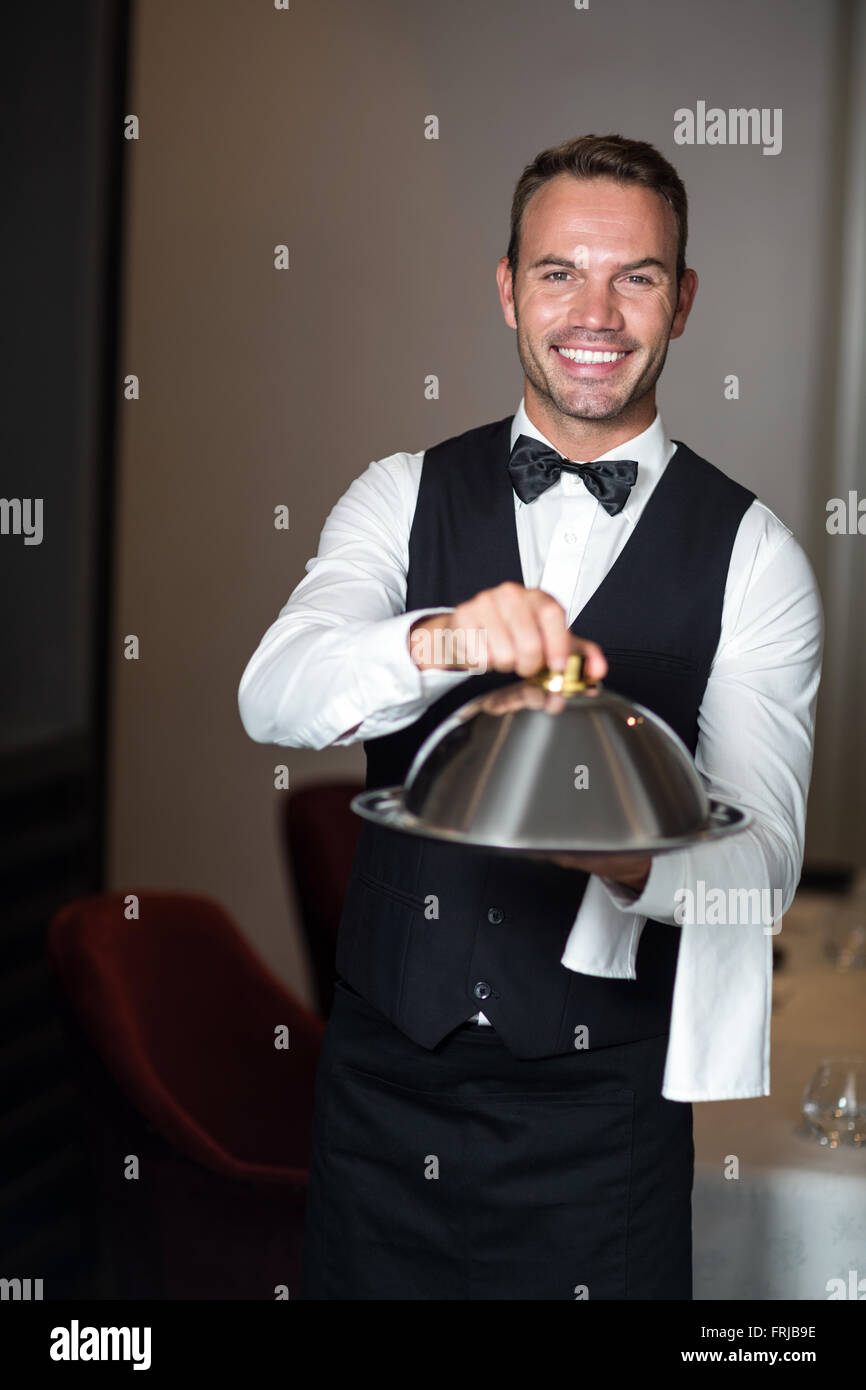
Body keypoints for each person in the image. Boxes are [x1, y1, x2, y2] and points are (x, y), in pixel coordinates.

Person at [238, 134, 823, 1300]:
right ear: (507, 286)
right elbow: (274, 692)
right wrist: (441, 636)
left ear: (682, 299)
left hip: (600, 1131)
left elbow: (758, 868)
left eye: (636, 276)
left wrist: (622, 858)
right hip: (379, 1103)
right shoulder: (398, 494)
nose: (593, 311)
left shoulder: (755, 558)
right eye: (558, 272)